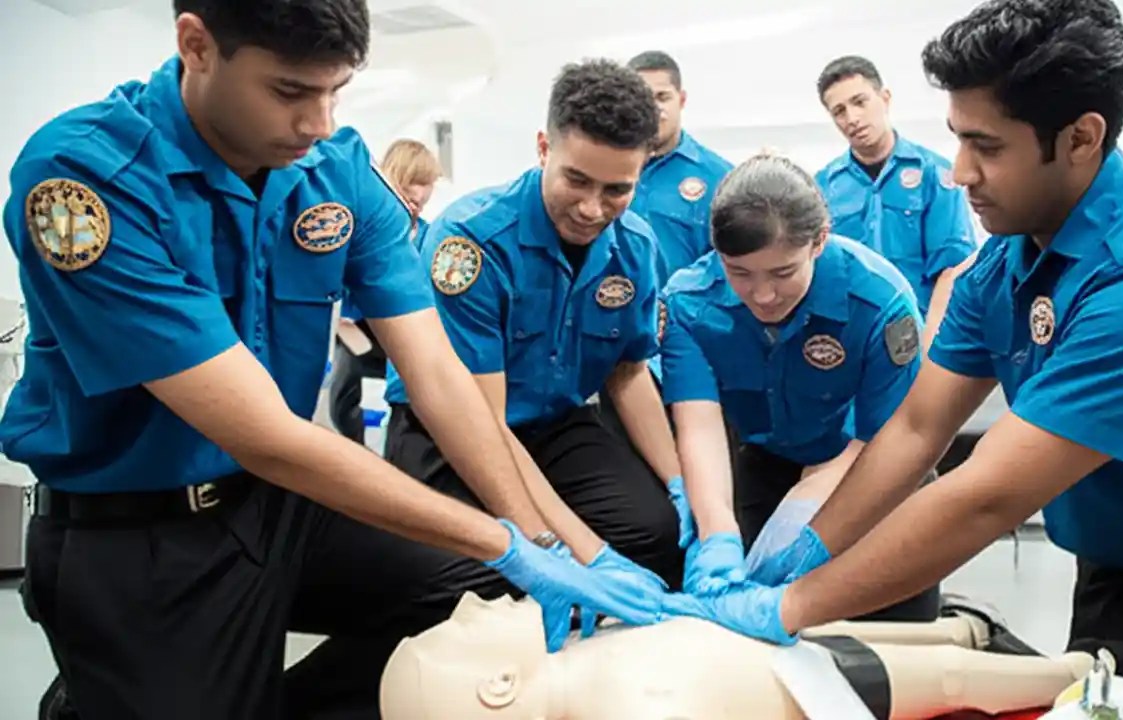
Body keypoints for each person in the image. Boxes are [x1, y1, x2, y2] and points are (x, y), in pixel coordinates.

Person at [4, 3, 665, 718]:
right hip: (143, 531)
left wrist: (542, 547)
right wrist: (506, 541)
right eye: (289, 92)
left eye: (336, 91)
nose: (318, 122)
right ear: (196, 45)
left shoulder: (335, 170)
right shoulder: (88, 178)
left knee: (493, 603)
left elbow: (439, 374)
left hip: (279, 506)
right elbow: (266, 435)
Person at [678, 0, 1123, 709]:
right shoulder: (1006, 262)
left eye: (986, 147)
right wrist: (809, 548)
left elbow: (986, 495)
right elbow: (913, 429)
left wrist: (789, 607)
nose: (959, 172)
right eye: (959, 139)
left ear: (1082, 138)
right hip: (1109, 564)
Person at [382, 59, 688, 589]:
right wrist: (582, 551)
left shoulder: (635, 247)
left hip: (556, 424)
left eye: (617, 189)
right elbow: (485, 423)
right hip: (455, 430)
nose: (593, 209)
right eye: (577, 180)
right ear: (544, 148)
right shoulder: (471, 242)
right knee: (481, 572)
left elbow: (628, 372)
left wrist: (684, 489)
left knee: (658, 533)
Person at [661, 154, 939, 620]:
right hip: (769, 461)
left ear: (818, 242)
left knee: (895, 625)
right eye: (740, 273)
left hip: (875, 465)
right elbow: (701, 428)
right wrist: (717, 534)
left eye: (783, 273)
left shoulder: (879, 302)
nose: (763, 295)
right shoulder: (689, 303)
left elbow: (887, 441)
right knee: (745, 609)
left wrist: (812, 529)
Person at [378, 591, 1095, 720]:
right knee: (945, 679)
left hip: (779, 649)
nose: (475, 606)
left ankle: (958, 627)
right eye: (462, 628)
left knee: (855, 631)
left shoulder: (582, 649)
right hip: (813, 693)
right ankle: (1076, 673)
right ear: (500, 687)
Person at [813, 55, 976, 320]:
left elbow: (953, 271)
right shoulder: (823, 186)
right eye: (839, 111)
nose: (852, 118)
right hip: (854, 333)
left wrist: (932, 345)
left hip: (920, 326)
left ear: (885, 98)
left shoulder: (936, 174)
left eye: (859, 102)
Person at [330, 138, 442, 443]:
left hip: (409, 338)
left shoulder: (432, 236)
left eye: (425, 185)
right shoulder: (363, 229)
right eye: (411, 183)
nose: (418, 194)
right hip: (360, 336)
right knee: (347, 413)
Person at [625, 51, 734, 286]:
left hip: (688, 318)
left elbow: (736, 266)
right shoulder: (603, 170)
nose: (652, 109)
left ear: (681, 100)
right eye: (642, 99)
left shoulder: (721, 178)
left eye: (662, 97)